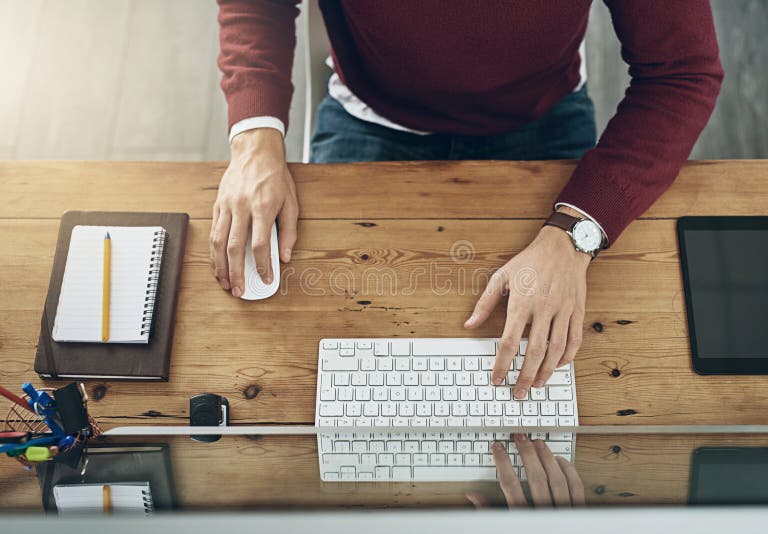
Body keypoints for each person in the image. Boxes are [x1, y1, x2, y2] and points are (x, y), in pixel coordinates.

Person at [212, 1, 723, 397]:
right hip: (370, 113)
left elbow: (683, 71)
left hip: (541, 115)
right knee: (308, 353)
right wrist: (255, 135)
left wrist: (577, 232)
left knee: (574, 367)